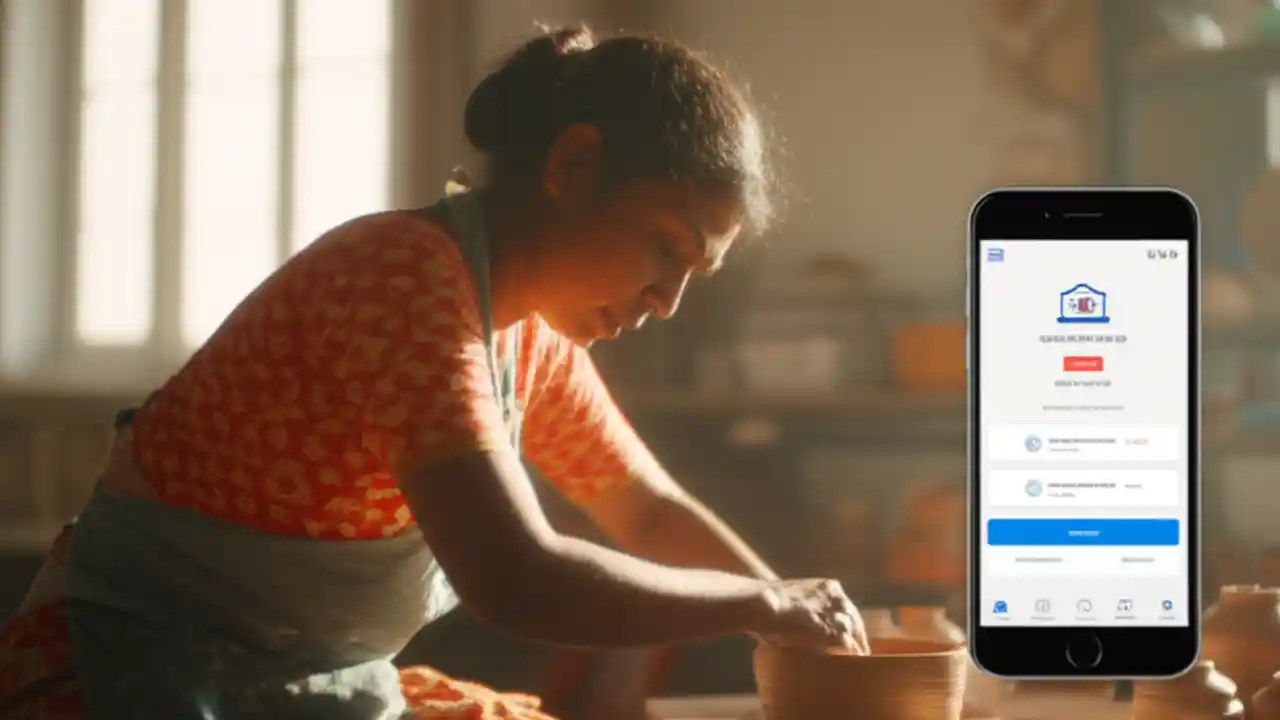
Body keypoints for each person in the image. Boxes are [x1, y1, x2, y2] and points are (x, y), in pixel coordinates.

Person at [0, 23, 867, 719]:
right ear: (571, 165)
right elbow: (515, 577)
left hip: (302, 689)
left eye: (693, 275)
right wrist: (760, 608)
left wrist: (794, 613)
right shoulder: (403, 276)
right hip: (128, 671)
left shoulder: (531, 341)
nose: (667, 301)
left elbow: (645, 507)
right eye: (664, 248)